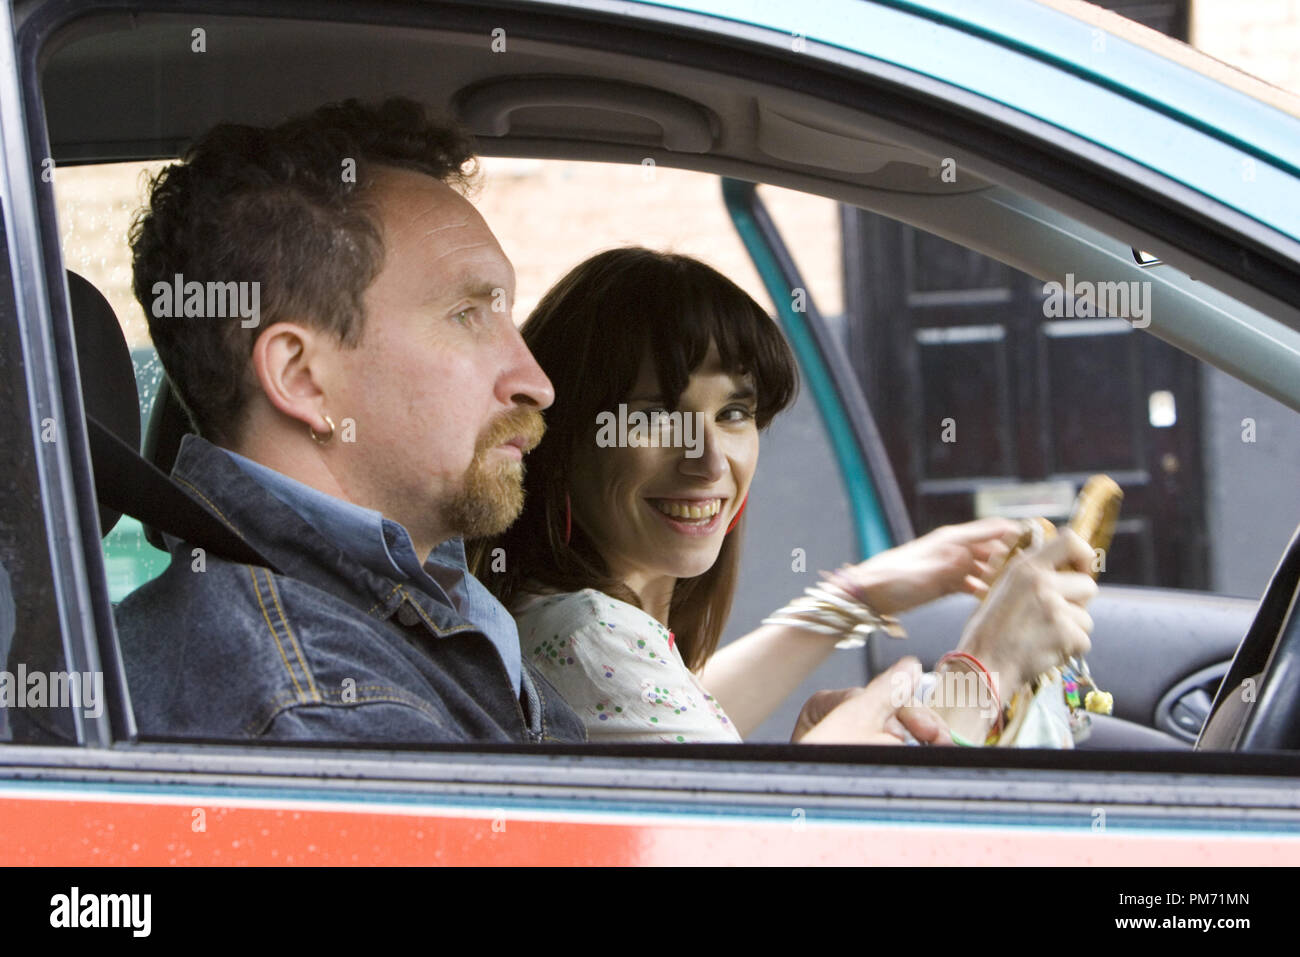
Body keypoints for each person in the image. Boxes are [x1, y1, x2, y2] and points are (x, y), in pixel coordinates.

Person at [114, 98, 955, 747]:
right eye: (470, 315)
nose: (538, 380)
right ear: (303, 377)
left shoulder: (402, 611)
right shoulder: (317, 705)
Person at [474, 247, 1097, 745]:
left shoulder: (569, 627)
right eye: (659, 414)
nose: (710, 460)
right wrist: (990, 663)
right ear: (564, 438)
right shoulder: (586, 635)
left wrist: (857, 597)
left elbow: (680, 710)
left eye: (735, 412)